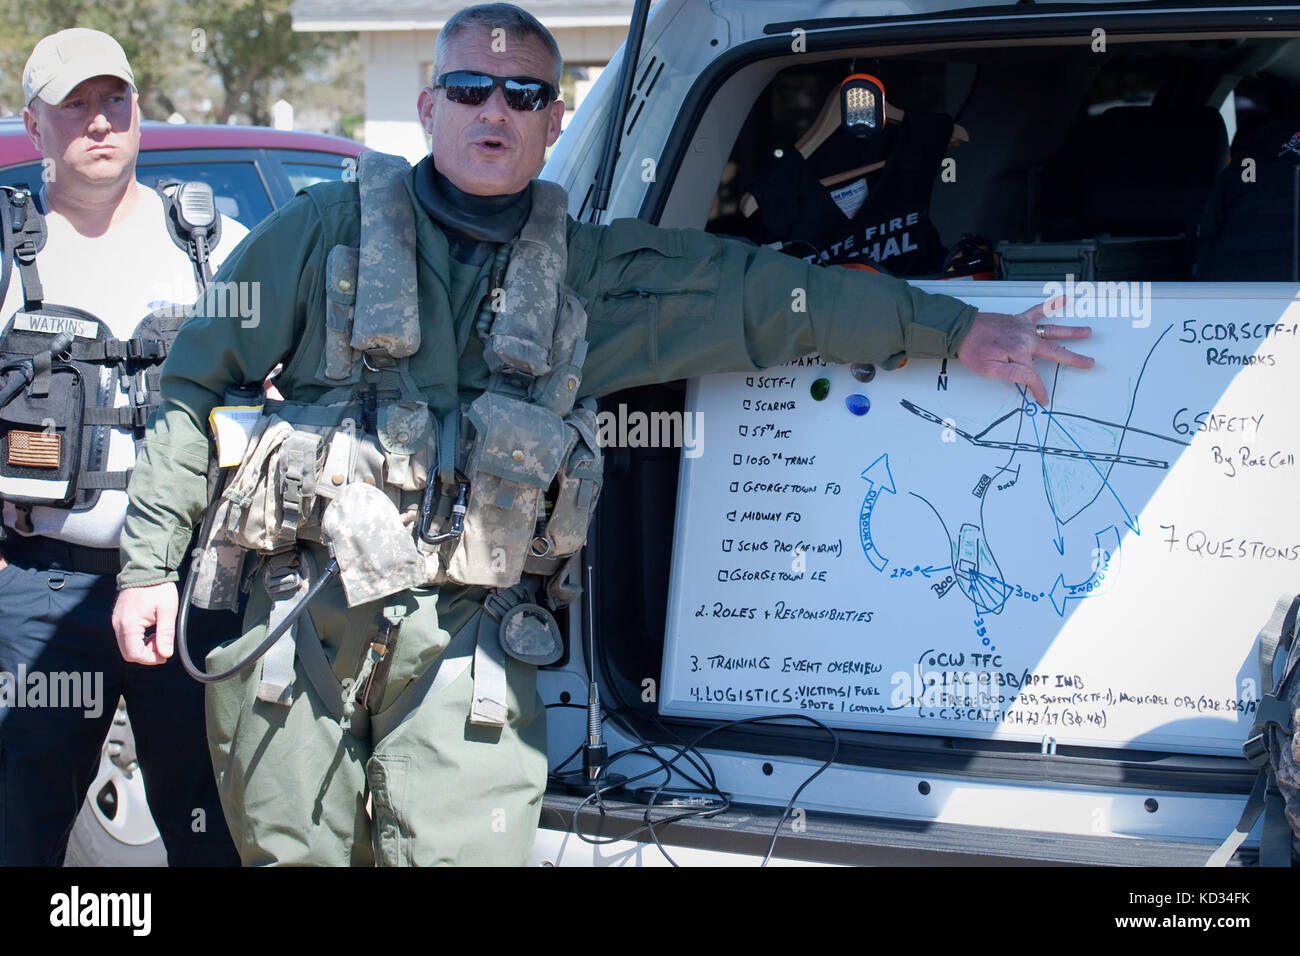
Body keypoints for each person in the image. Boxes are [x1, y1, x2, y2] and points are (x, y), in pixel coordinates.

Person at [112, 3, 1093, 866]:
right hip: (302, 626)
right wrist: (149, 564)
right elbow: (193, 385)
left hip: (470, 648)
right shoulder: (318, 233)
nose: (493, 109)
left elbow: (773, 299)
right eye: (468, 87)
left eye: (521, 94)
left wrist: (959, 331)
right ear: (429, 108)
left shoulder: (597, 277)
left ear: (550, 118)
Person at [0, 28, 243, 865]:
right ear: (34, 127)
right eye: (75, 105)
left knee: (213, 830)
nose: (100, 122)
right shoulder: (7, 250)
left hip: (194, 590)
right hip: (41, 589)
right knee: (18, 829)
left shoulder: (213, 244)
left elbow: (284, 393)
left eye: (115, 100)